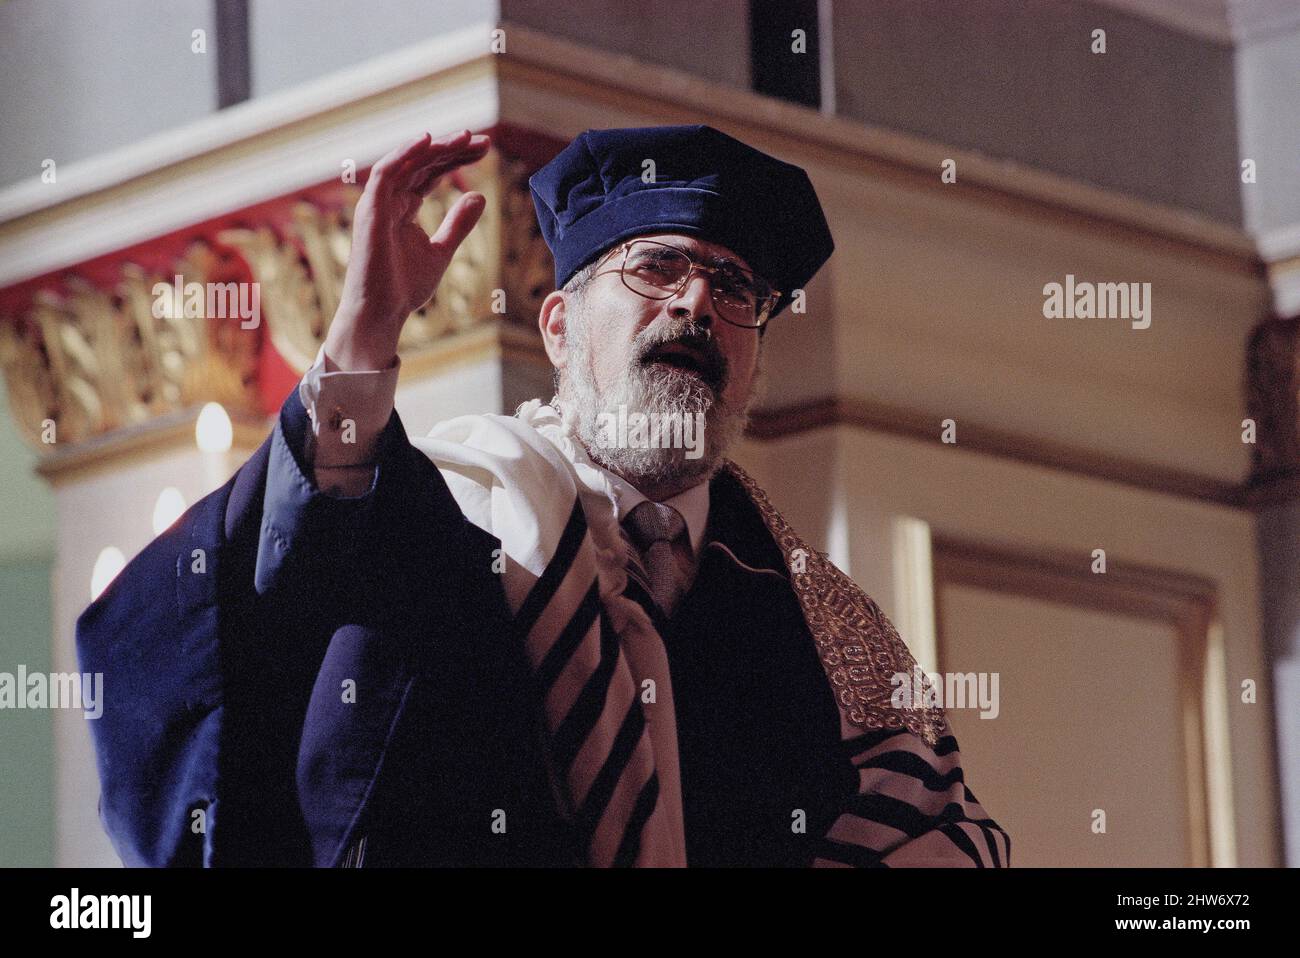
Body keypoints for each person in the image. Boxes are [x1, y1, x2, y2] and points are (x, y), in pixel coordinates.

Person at [77, 125, 1010, 868]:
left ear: (756, 361)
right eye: (656, 267)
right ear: (559, 327)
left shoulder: (816, 611)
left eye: (733, 288)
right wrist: (361, 343)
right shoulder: (449, 517)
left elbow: (942, 831)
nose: (694, 305)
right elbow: (246, 632)